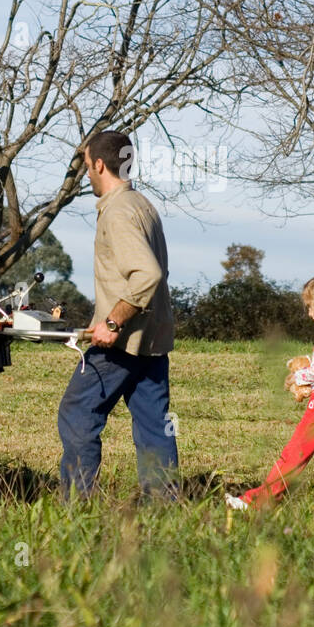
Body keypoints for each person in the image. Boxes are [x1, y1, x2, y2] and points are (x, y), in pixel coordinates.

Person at [57, 130, 178, 499]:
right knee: (155, 428)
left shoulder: (119, 212)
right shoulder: (142, 205)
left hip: (121, 343)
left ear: (98, 163)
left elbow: (148, 274)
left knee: (77, 412)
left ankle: (78, 507)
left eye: (85, 165)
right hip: (152, 342)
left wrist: (112, 323)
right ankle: (165, 512)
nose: (84, 175)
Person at [226, 270, 314, 509]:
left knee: (295, 453)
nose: (308, 313)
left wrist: (298, 376)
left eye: (310, 307)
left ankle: (258, 501)